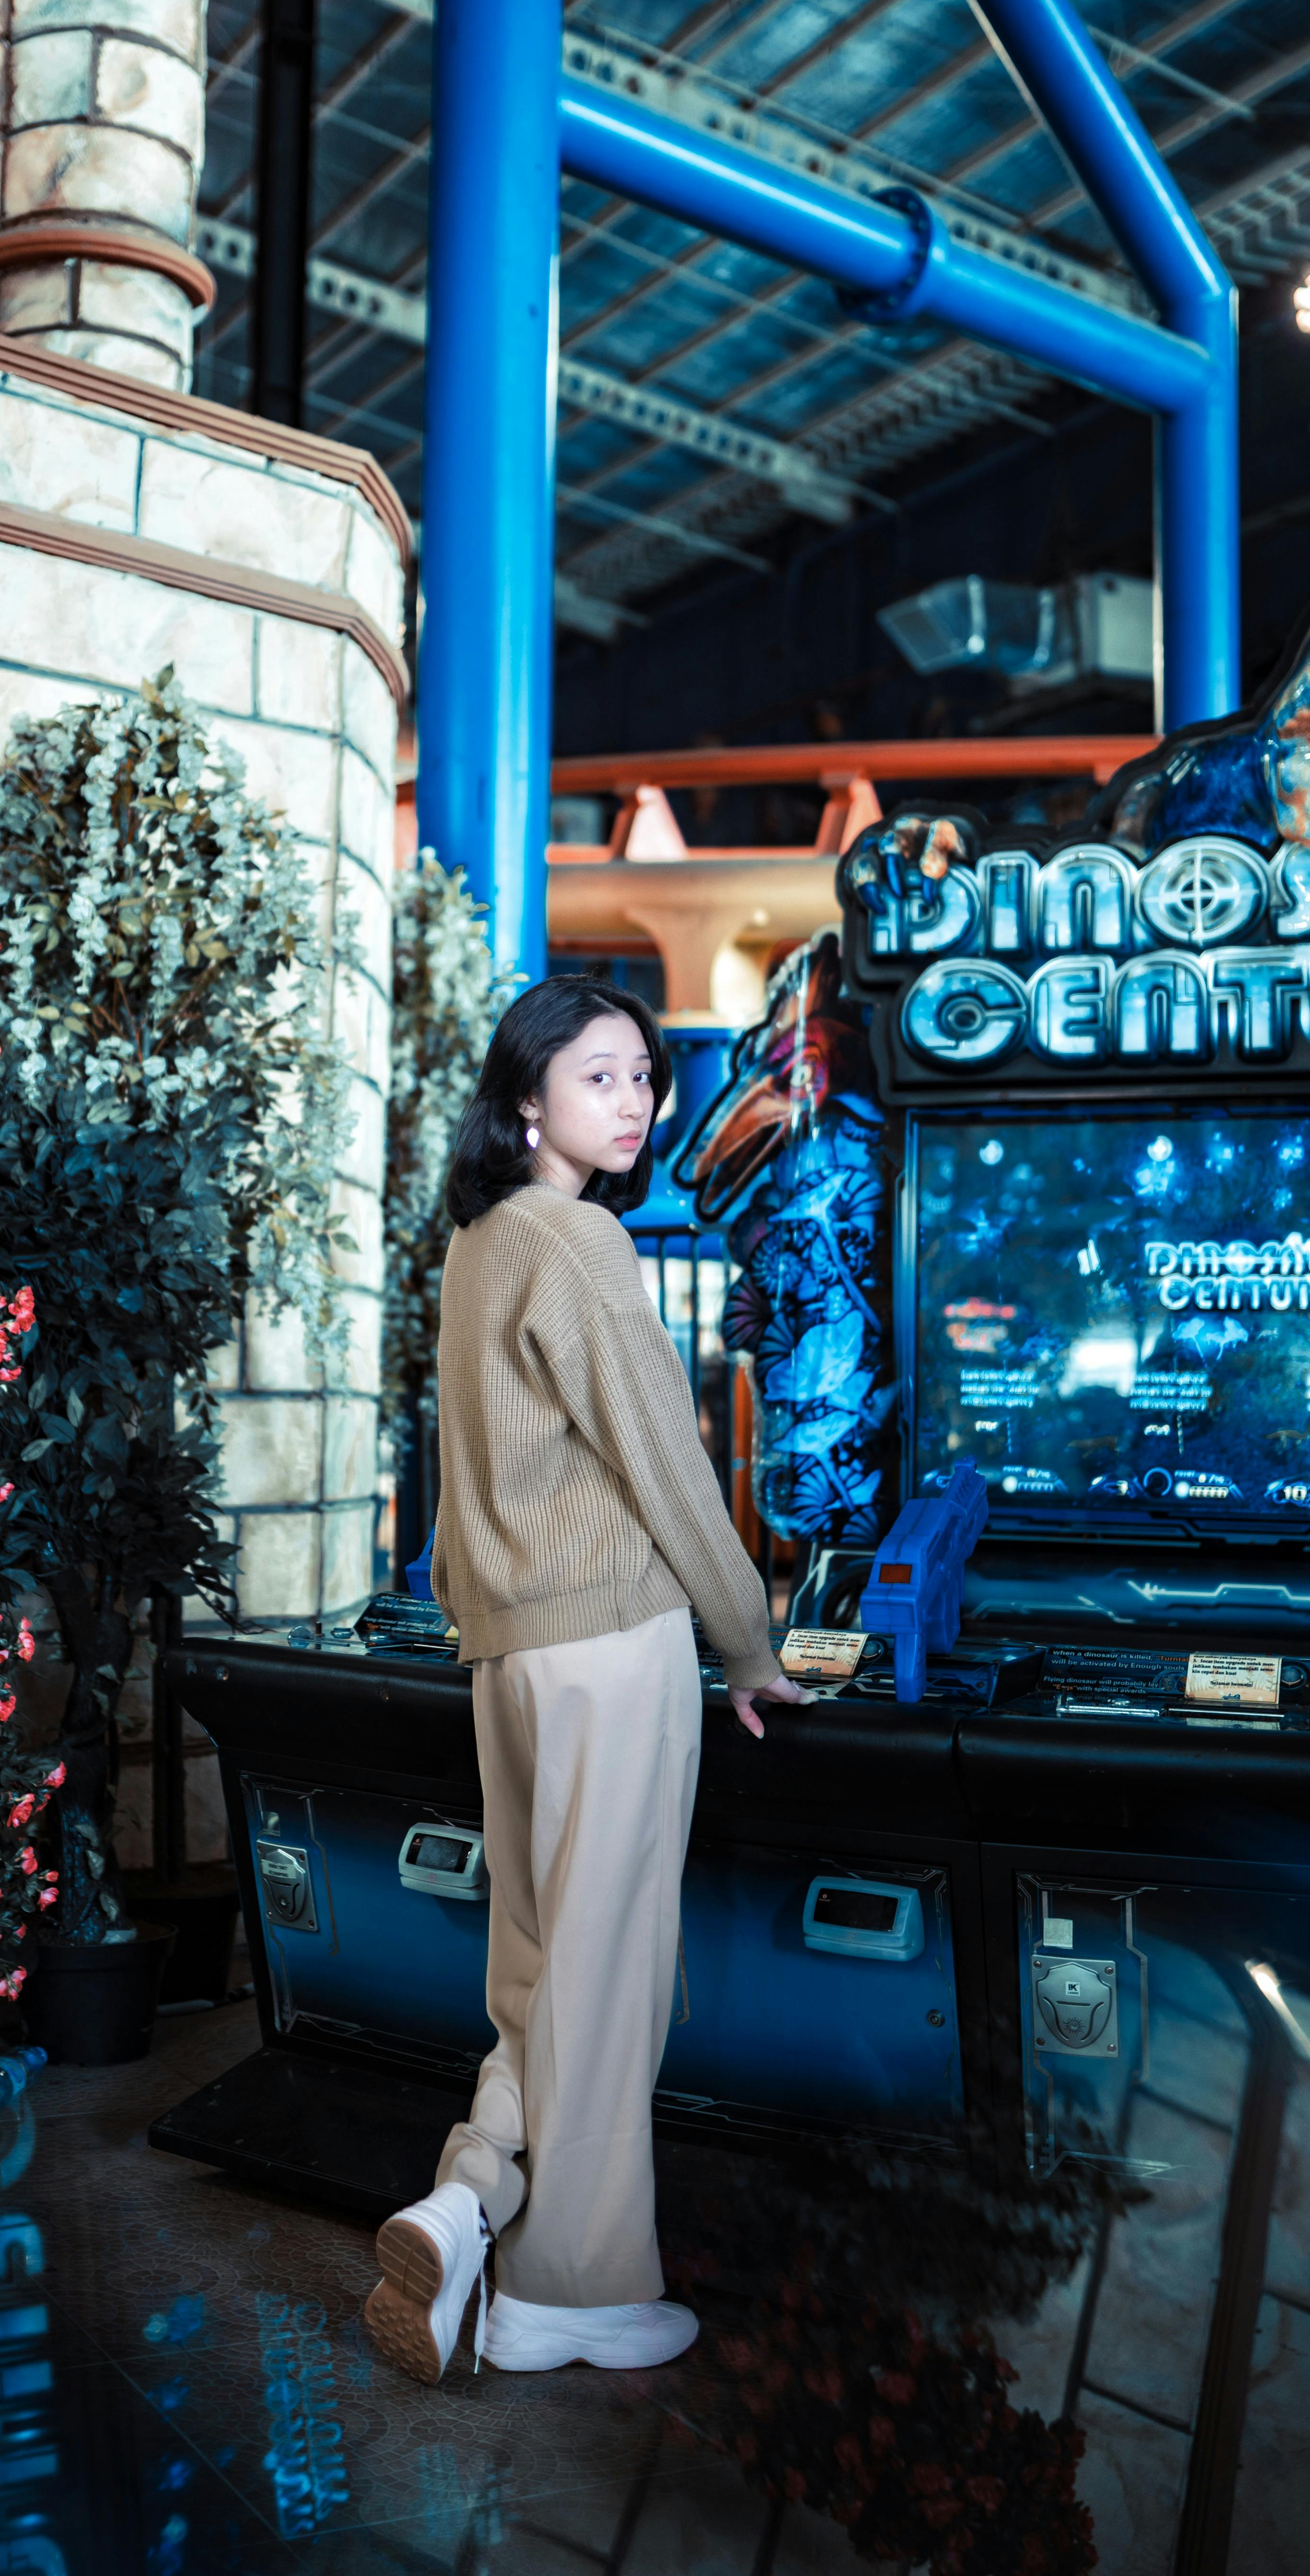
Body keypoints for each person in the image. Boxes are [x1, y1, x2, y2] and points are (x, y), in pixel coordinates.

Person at [362, 977, 804, 2386]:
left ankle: (469, 2196)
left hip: (504, 1650)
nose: (634, 1102)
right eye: (600, 1075)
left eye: (641, 1079)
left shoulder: (478, 1242)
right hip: (612, 1647)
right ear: (524, 1097)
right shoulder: (581, 1242)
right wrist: (747, 1638)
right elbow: (668, 1463)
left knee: (539, 1967)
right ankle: (572, 2291)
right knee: (607, 1975)